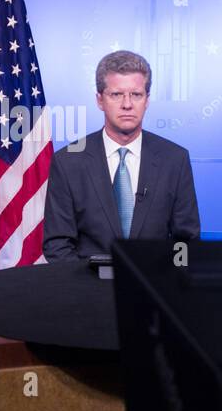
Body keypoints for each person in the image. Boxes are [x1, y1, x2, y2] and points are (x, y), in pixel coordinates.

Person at [42, 50, 200, 261]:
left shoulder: (175, 159)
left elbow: (186, 240)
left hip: (153, 287)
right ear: (100, 100)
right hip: (85, 289)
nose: (127, 104)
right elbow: (58, 245)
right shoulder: (68, 161)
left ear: (147, 100)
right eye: (116, 94)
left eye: (136, 94)